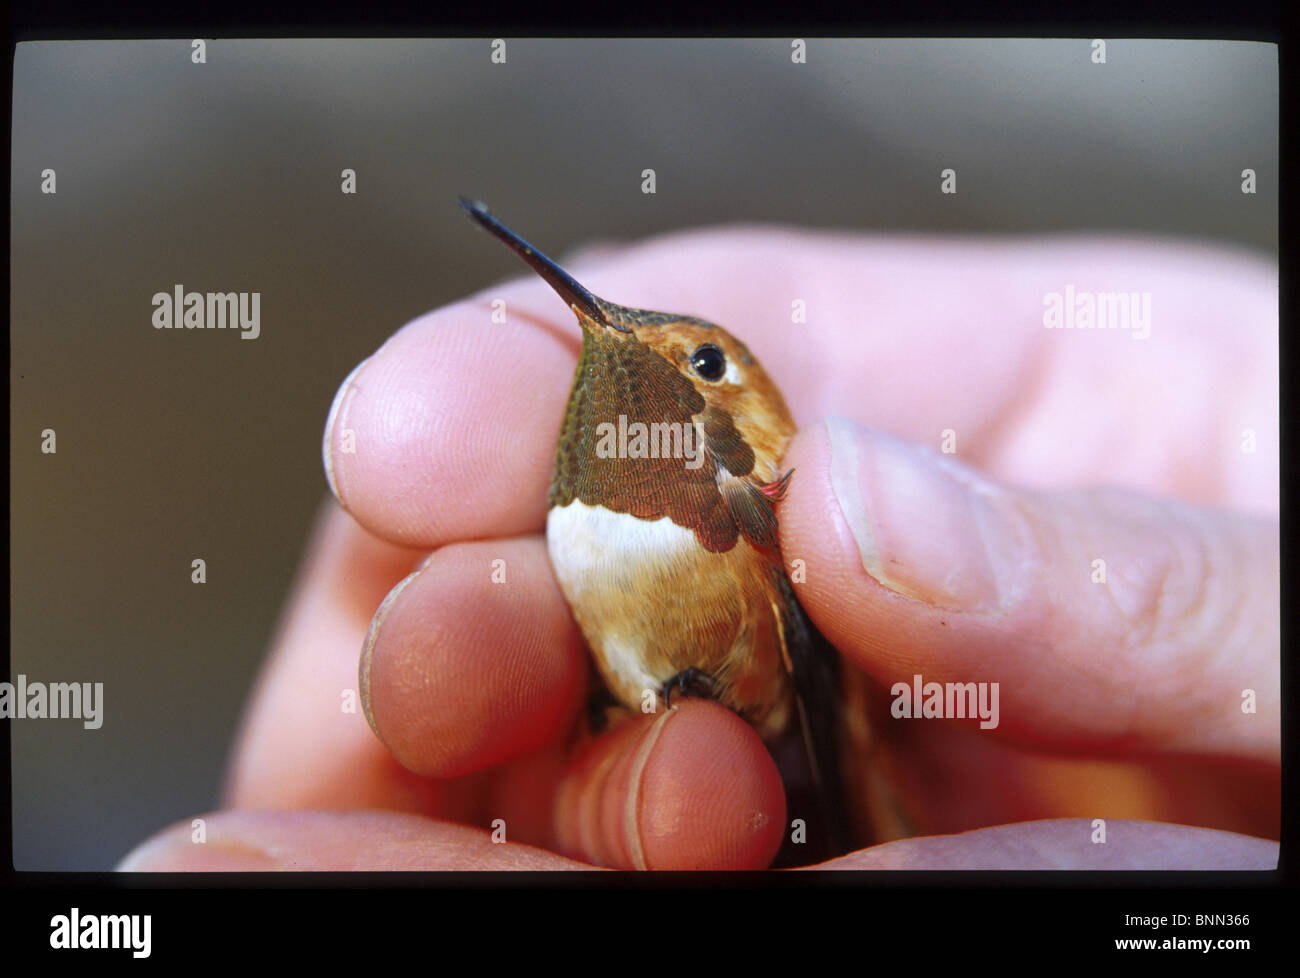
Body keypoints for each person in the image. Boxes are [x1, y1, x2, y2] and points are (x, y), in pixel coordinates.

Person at [119, 228, 1279, 871]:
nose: (617, 340)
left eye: (705, 364)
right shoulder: (565, 506)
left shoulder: (775, 519)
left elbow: (820, 691)